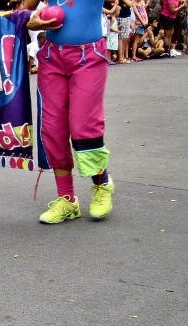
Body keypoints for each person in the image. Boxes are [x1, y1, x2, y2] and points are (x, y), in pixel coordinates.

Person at [24, 0, 116, 223]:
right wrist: (32, 22)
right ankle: (66, 199)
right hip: (52, 57)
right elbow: (25, 10)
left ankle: (102, 183)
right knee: (52, 128)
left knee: (84, 125)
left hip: (89, 57)